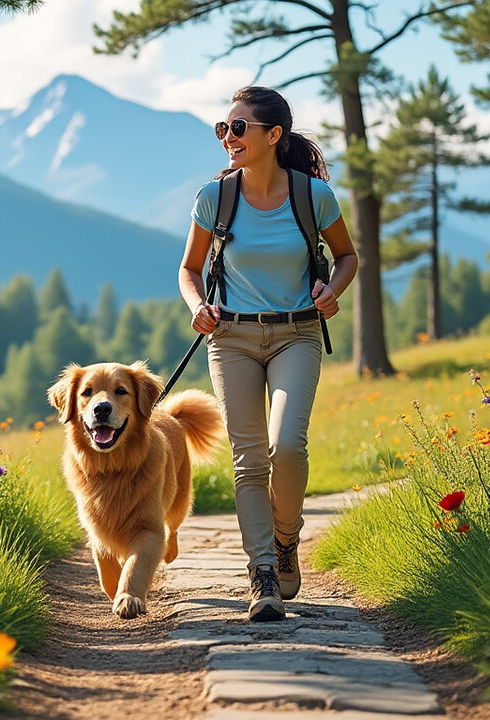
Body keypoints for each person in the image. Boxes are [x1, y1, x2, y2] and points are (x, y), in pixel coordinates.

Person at [179, 86, 357, 622]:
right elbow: (188, 269)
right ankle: (262, 574)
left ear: (273, 135)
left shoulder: (313, 196)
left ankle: (285, 540)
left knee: (287, 447)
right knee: (248, 458)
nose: (227, 138)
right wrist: (197, 305)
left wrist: (333, 292)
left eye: (238, 128)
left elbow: (347, 257)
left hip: (296, 335)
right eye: (223, 128)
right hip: (229, 338)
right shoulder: (215, 197)